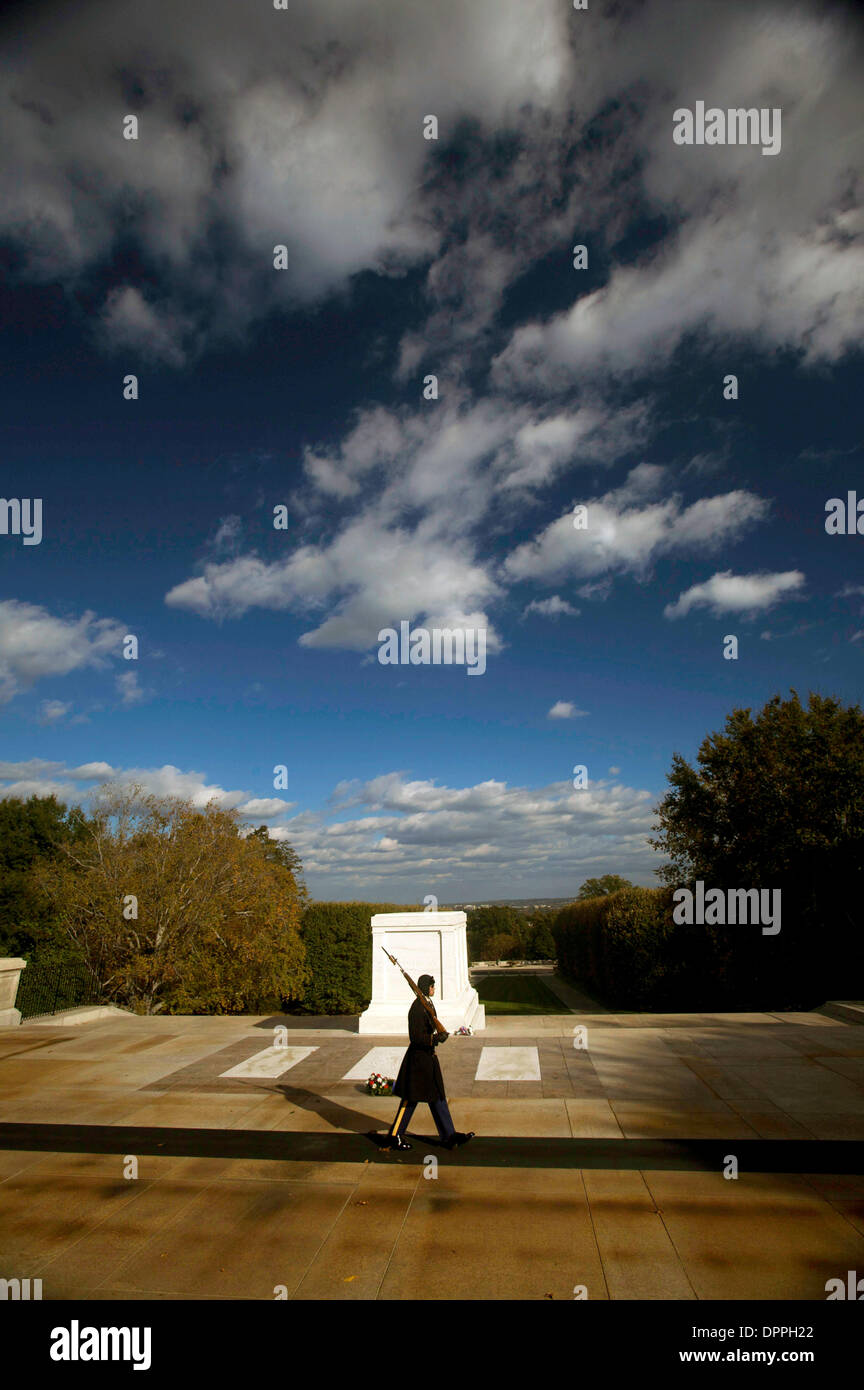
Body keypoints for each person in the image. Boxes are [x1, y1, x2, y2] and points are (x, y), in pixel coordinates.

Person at [385, 974, 474, 1152]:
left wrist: (436, 1037)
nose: (434, 989)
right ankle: (395, 1136)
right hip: (418, 1060)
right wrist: (435, 1038)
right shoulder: (417, 1008)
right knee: (410, 1099)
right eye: (432, 986)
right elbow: (416, 1037)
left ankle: (449, 1135)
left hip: (427, 1058)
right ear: (426, 988)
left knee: (437, 1096)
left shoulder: (426, 1004)